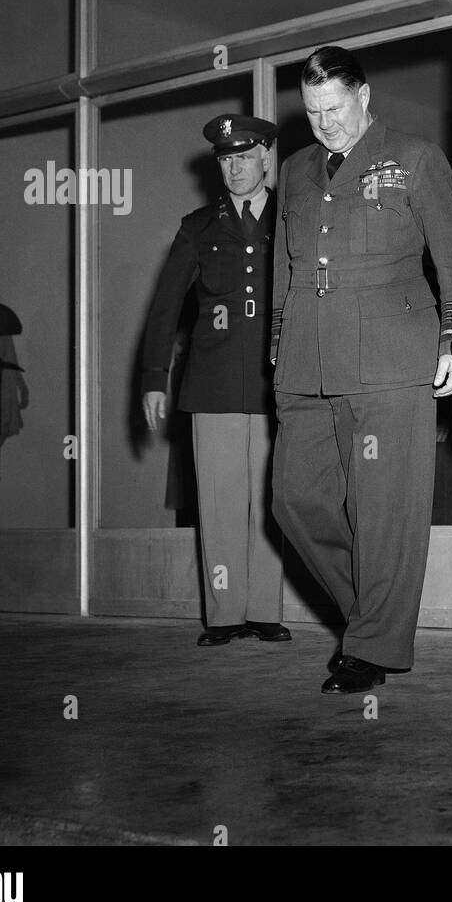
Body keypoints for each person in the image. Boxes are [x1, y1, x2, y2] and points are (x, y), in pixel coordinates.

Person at [271, 46, 452, 695]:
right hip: (306, 358)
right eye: (312, 112)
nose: (324, 123)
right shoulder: (296, 170)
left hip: (393, 357)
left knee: (385, 511)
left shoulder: (413, 158)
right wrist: (277, 337)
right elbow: (287, 266)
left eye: (335, 108)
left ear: (364, 96)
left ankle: (371, 647)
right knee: (295, 498)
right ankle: (372, 616)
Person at [141, 114, 288, 647]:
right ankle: (225, 614)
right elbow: (163, 309)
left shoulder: (293, 219)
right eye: (226, 159)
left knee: (272, 501)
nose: (235, 168)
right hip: (214, 383)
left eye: (245, 157)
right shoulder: (197, 227)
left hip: (278, 386)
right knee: (221, 502)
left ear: (266, 158)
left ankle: (265, 610)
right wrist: (155, 377)